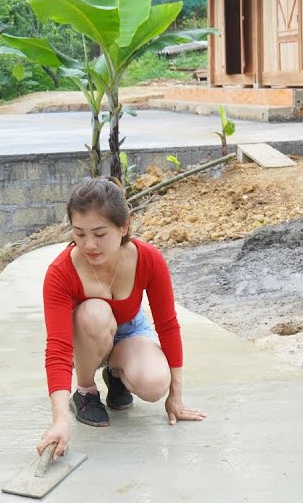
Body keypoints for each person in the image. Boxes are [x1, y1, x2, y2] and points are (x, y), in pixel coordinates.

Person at [36, 177, 205, 459]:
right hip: (88, 333)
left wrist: (176, 394)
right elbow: (58, 348)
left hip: (128, 329)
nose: (89, 244)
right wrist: (60, 420)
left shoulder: (149, 259)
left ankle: (116, 375)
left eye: (100, 234)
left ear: (124, 226)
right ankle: (87, 392)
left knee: (154, 385)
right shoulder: (60, 273)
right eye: (79, 233)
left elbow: (167, 325)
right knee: (95, 313)